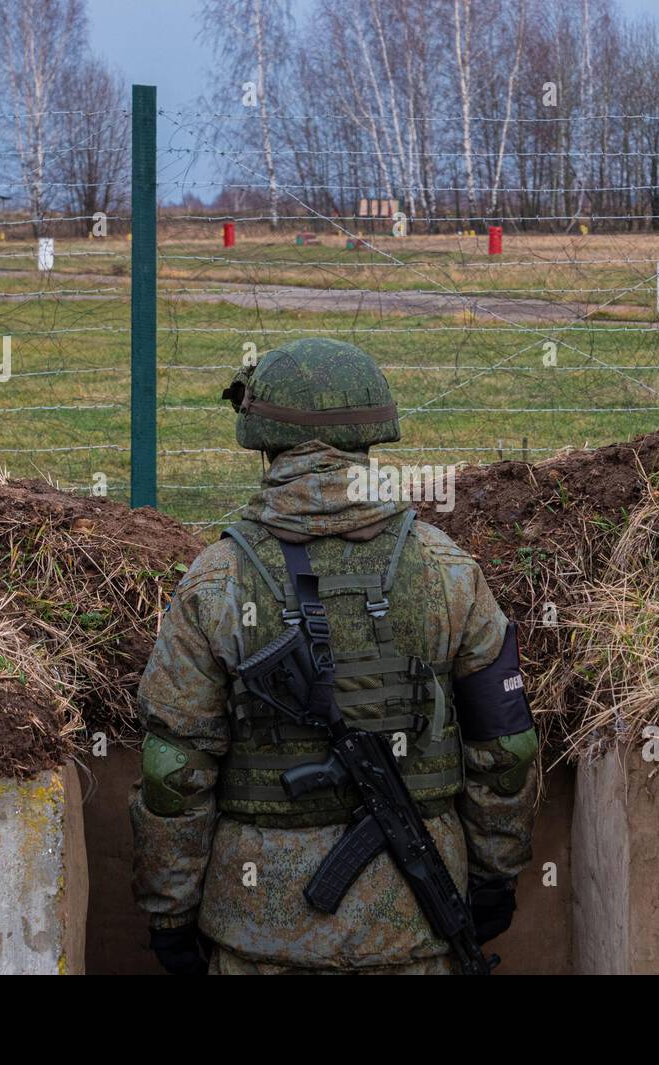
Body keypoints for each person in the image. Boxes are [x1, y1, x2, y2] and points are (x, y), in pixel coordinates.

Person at [130, 338, 538, 975]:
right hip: (418, 921)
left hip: (260, 927)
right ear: (372, 439)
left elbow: (172, 770)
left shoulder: (218, 578)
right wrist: (493, 878)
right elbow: (506, 750)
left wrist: (170, 914)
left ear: (261, 441)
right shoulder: (447, 570)